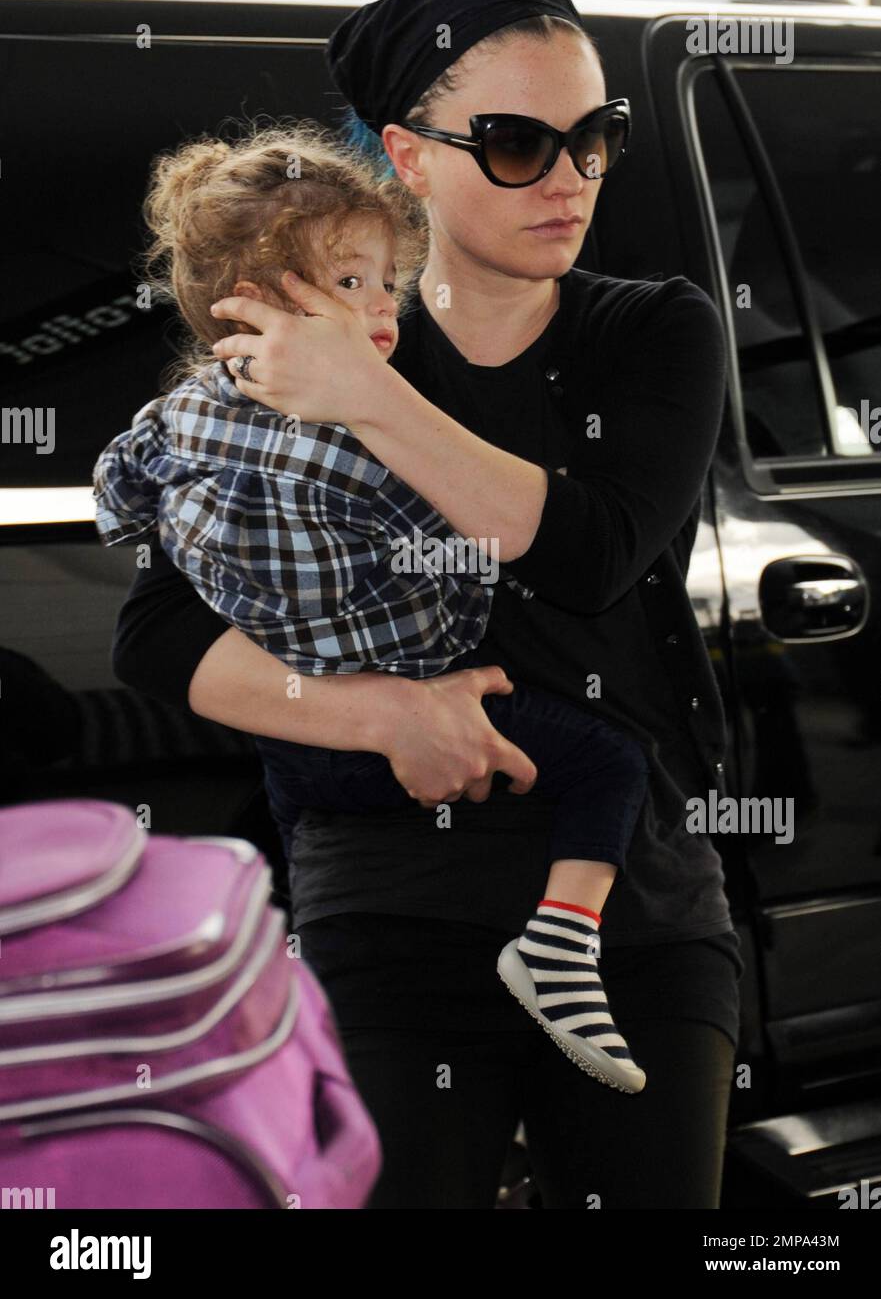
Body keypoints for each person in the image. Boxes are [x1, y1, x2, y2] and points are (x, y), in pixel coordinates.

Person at [111, 0, 745, 1208]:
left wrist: (366, 393)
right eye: (515, 142)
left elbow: (589, 548)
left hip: (633, 916)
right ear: (405, 153)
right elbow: (158, 636)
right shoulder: (300, 345)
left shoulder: (647, 329)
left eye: (594, 137)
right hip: (389, 909)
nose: (568, 178)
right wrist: (388, 717)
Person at [92, 120, 652, 1093]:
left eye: (386, 279)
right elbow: (470, 548)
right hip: (421, 746)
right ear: (261, 299)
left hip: (308, 785)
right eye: (351, 283)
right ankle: (560, 945)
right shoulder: (358, 431)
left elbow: (117, 490)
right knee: (608, 761)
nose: (384, 306)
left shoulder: (177, 416)